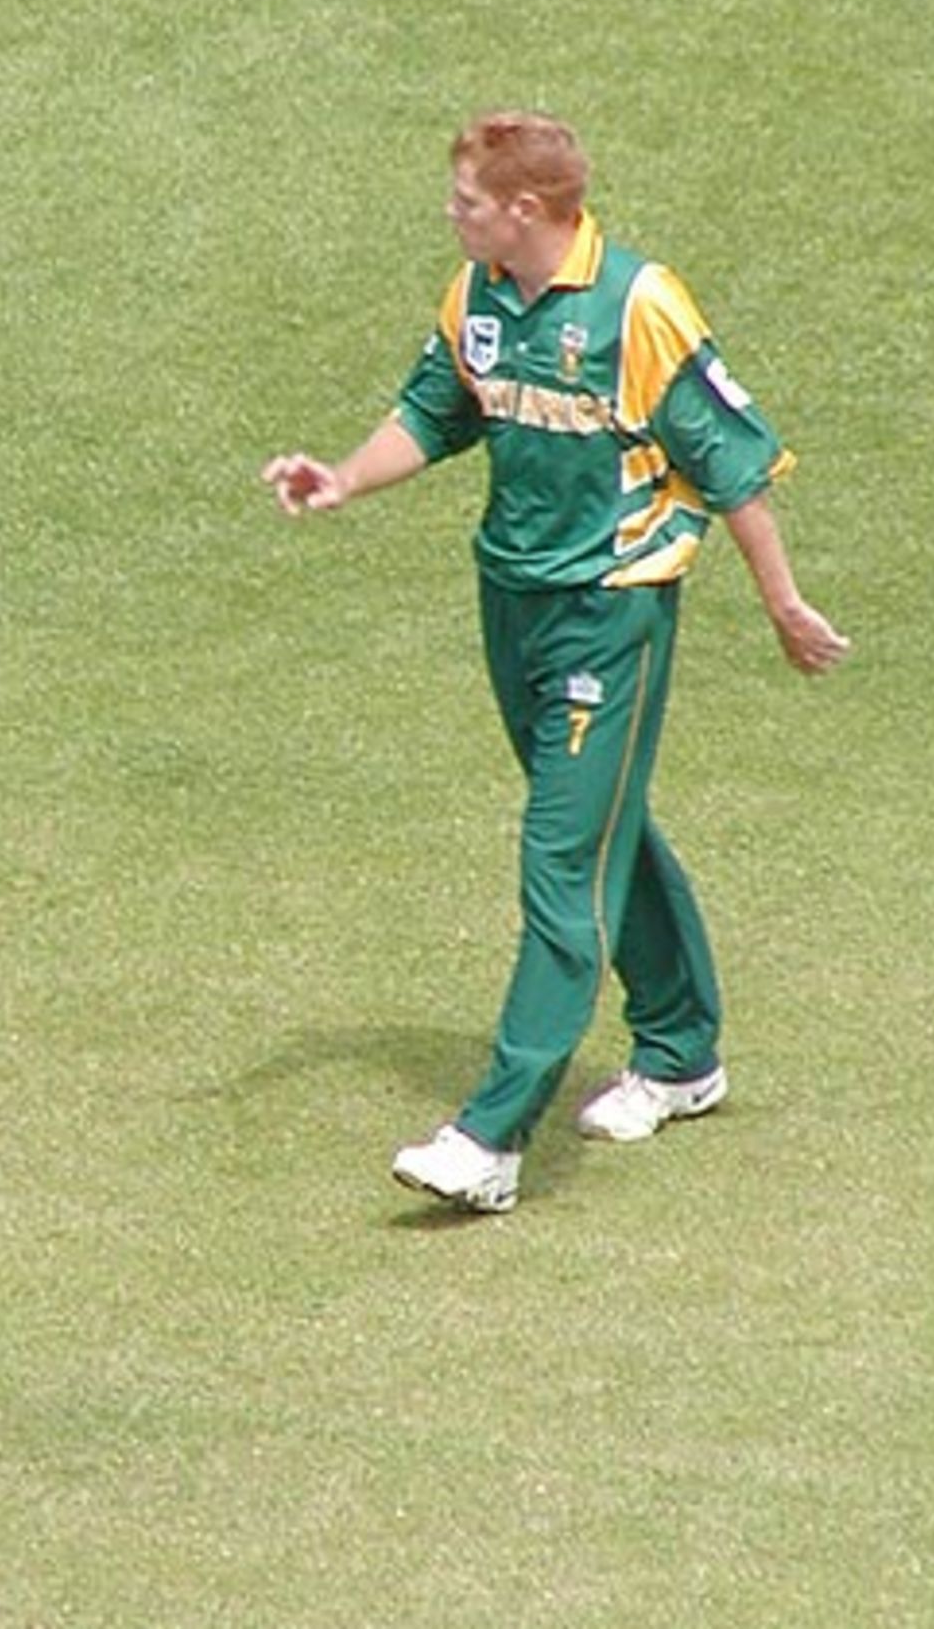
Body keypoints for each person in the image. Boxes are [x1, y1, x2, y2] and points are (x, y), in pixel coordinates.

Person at [263, 110, 849, 1215]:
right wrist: (340, 479)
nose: (451, 214)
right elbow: (436, 412)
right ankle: (680, 1053)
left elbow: (732, 465)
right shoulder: (478, 295)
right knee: (598, 821)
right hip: (511, 603)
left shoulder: (636, 305)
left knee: (559, 859)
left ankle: (489, 1137)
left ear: (525, 210)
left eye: (467, 201)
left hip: (608, 611)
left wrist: (780, 604)